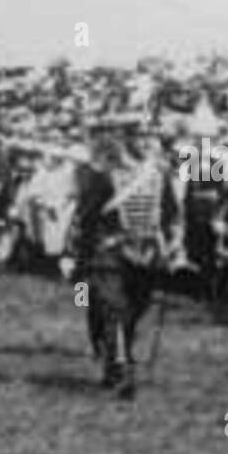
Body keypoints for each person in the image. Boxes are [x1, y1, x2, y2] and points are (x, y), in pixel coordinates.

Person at [69, 114, 180, 399]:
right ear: (126, 141)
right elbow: (87, 215)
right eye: (138, 138)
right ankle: (123, 371)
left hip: (146, 254)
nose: (145, 143)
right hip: (110, 254)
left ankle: (114, 360)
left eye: (148, 137)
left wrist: (173, 245)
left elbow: (171, 214)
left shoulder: (159, 173)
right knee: (115, 311)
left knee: (132, 314)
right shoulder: (104, 174)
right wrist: (83, 255)